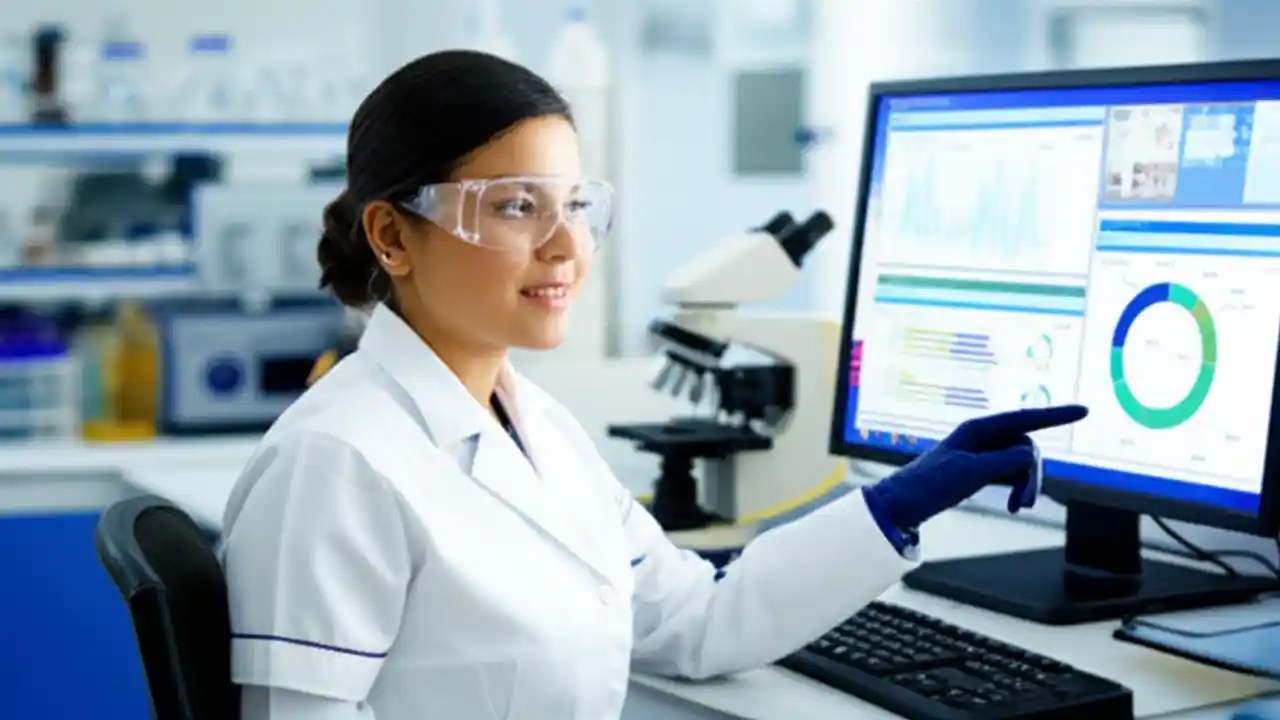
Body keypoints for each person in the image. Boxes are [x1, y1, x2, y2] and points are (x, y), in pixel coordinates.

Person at [219, 49, 1090, 720]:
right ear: (393, 236)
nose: (566, 245)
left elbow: (698, 625)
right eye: (517, 206)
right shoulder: (336, 464)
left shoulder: (540, 430)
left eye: (576, 205)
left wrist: (898, 504)